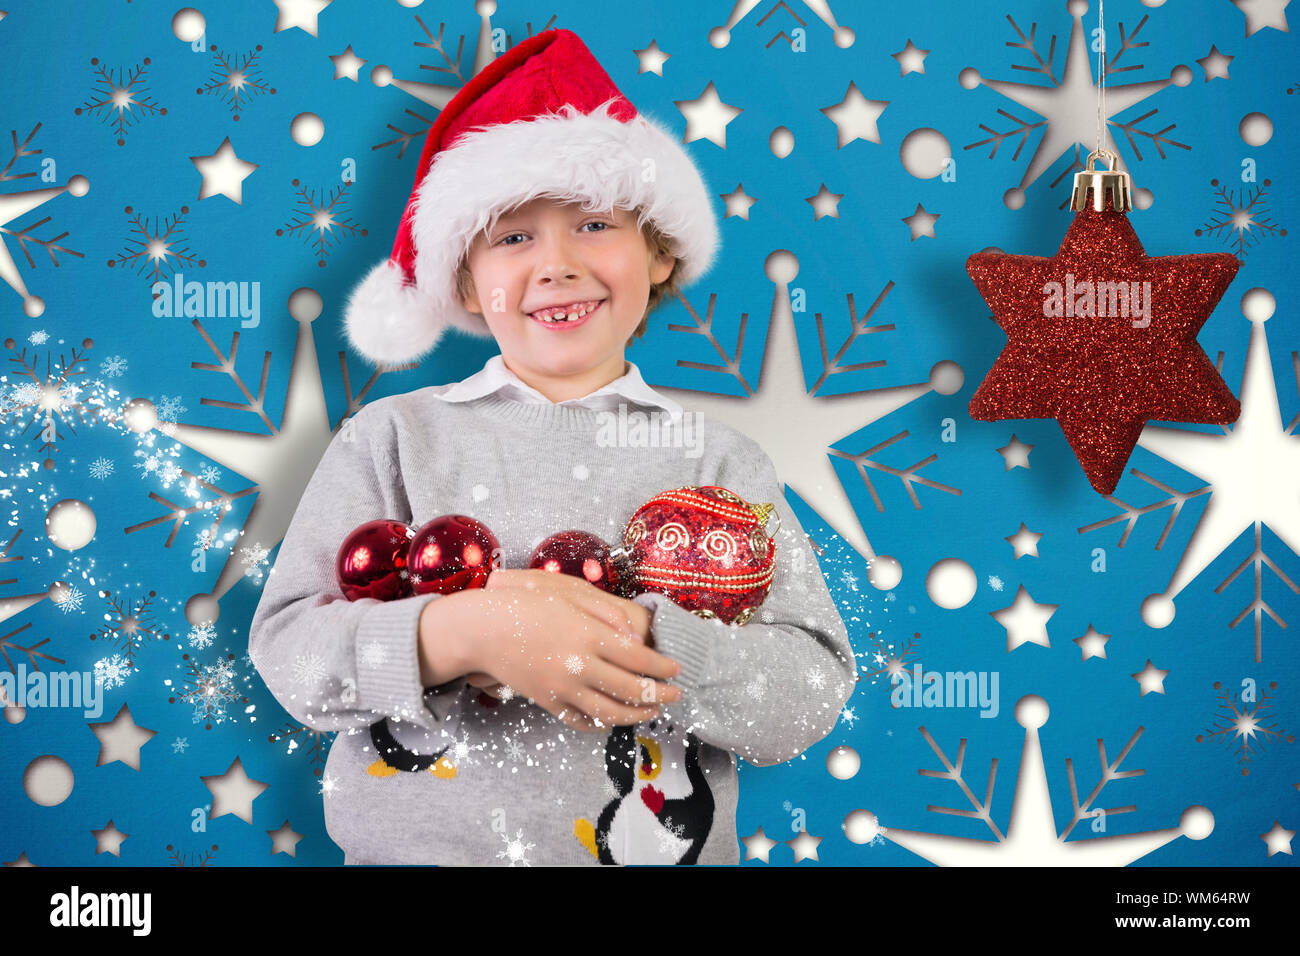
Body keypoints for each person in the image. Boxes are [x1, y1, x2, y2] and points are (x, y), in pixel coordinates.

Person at [248, 28, 856, 866]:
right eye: (512, 236)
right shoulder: (393, 438)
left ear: (659, 252)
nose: (557, 265)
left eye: (595, 223)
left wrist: (647, 644)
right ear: (463, 277)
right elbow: (289, 653)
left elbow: (808, 692)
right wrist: (465, 633)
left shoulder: (718, 461)